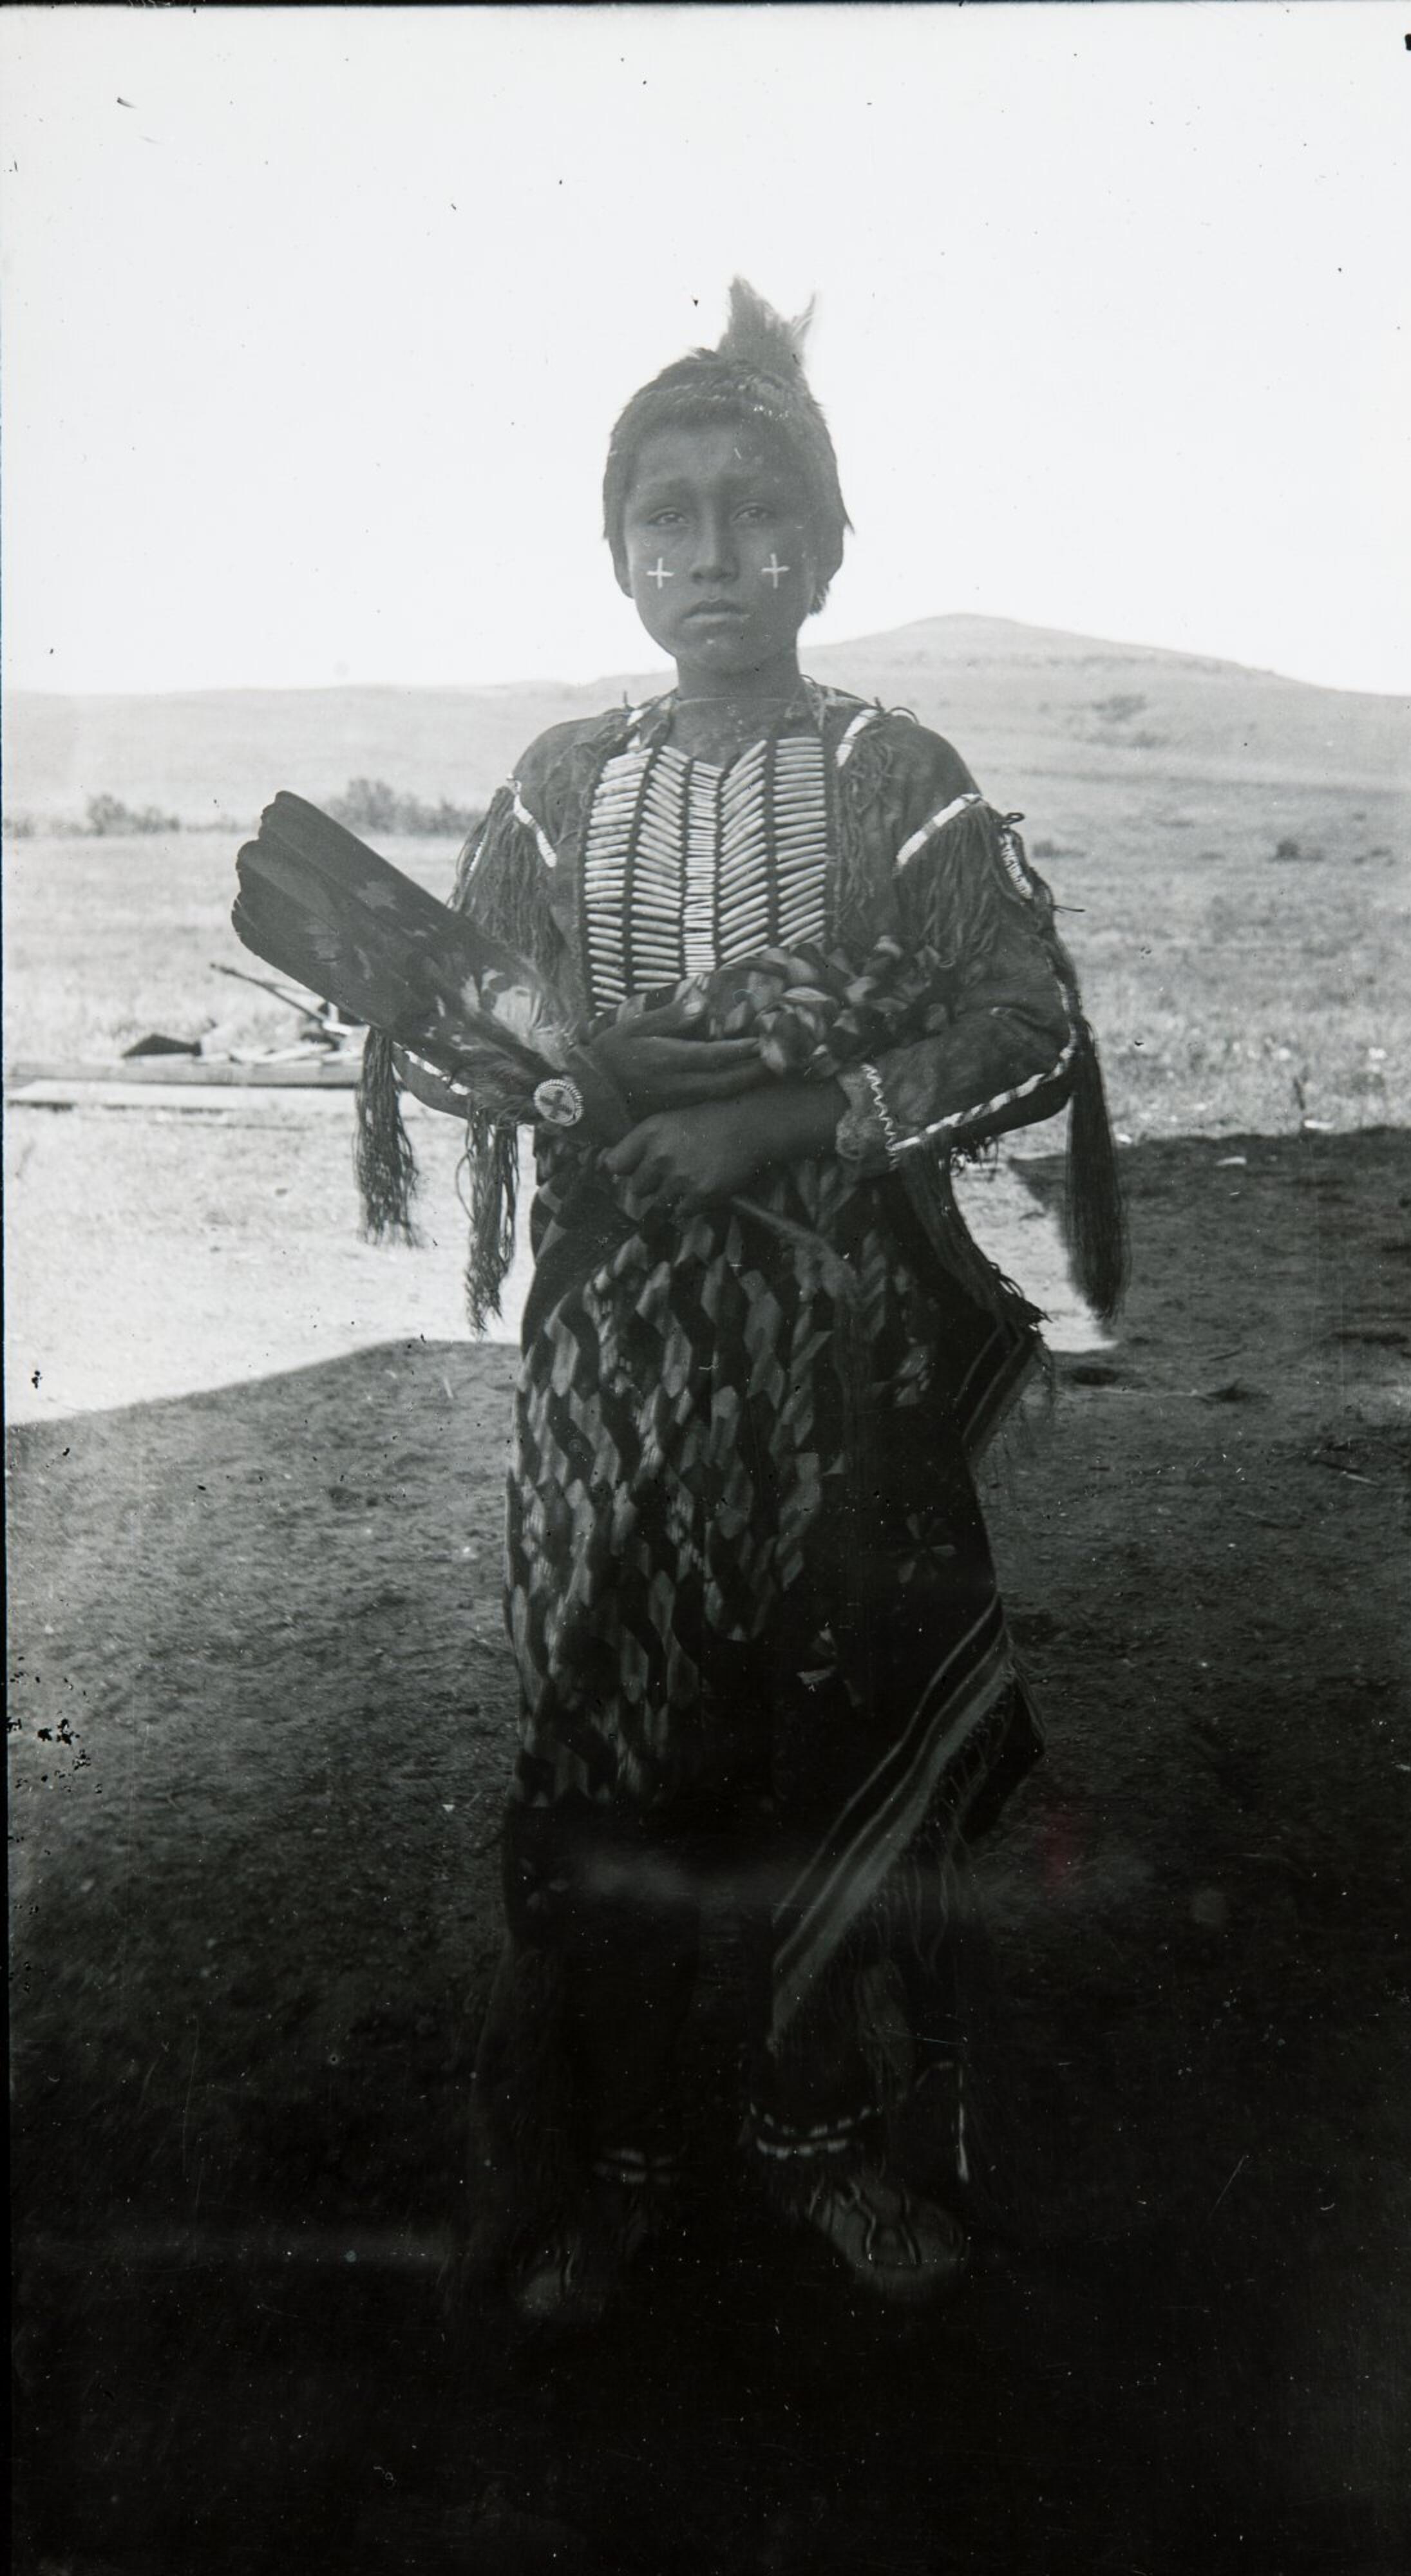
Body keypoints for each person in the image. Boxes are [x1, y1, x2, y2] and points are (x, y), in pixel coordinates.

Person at [356, 281, 1124, 2325]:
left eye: (753, 513)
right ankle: (609, 2163)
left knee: (833, 1721)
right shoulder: (547, 784)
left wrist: (793, 1119)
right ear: (615, 555)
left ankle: (811, 2140)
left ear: (824, 545)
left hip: (839, 1350)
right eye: (668, 520)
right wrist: (530, 1069)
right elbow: (454, 1022)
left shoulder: (899, 774)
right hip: (612, 1364)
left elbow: (1026, 1025)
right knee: (605, 1740)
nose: (713, 558)